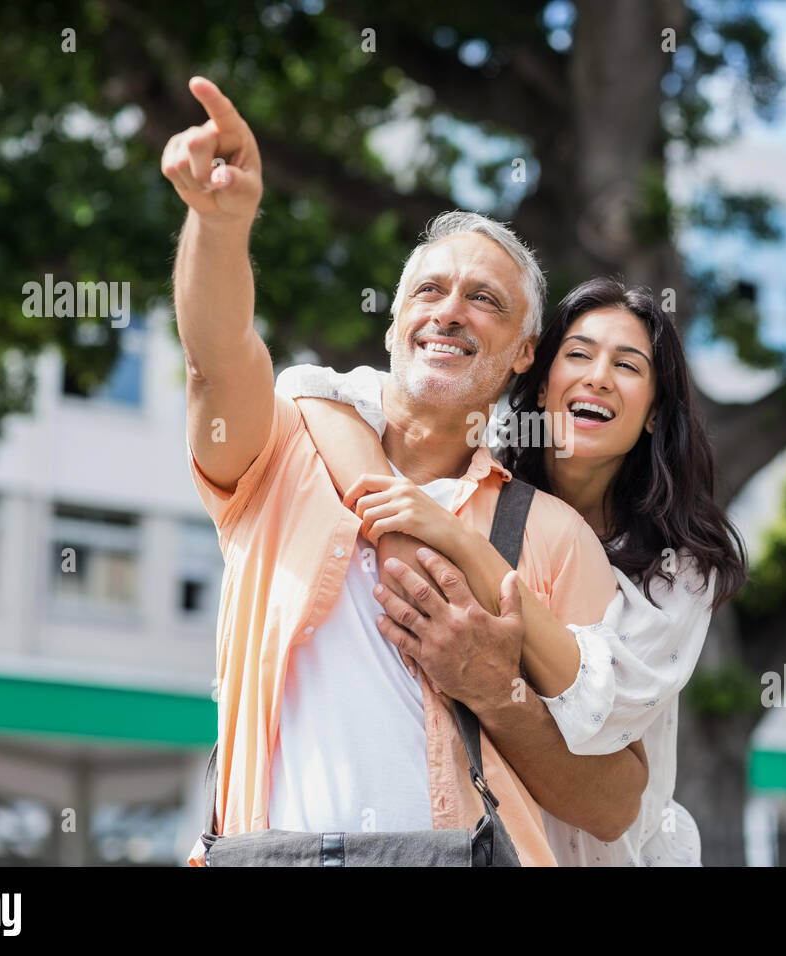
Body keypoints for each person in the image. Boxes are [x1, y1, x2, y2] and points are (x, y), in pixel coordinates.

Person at [162, 76, 650, 866]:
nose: (451, 311)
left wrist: (495, 689)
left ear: (524, 352)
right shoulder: (284, 451)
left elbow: (614, 803)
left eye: (486, 300)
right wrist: (219, 227)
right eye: (429, 289)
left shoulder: (553, 539)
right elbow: (216, 362)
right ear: (394, 323)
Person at [281, 277, 748, 865]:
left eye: (627, 366)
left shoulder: (677, 569)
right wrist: (397, 521)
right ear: (544, 381)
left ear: (655, 413)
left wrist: (459, 542)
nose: (597, 376)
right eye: (577, 354)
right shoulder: (480, 477)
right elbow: (307, 384)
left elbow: (599, 708)